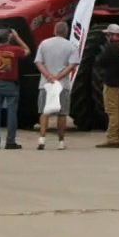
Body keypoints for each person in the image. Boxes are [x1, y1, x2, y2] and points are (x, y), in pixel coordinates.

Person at [35, 20, 80, 150]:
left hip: (45, 84)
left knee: (44, 112)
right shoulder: (71, 46)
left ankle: (42, 139)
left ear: (54, 31)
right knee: (62, 113)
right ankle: (60, 142)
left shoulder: (44, 43)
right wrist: (58, 77)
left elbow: (38, 62)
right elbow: (71, 66)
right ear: (66, 32)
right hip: (63, 85)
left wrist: (48, 76)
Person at [0, 28, 30, 149]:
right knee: (12, 112)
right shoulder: (14, 50)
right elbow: (27, 51)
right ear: (9, 38)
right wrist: (17, 38)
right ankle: (10, 141)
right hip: (11, 84)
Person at [96, 23, 119, 148]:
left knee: (112, 111)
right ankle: (117, 136)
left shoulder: (110, 47)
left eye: (108, 34)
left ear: (112, 35)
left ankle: (112, 138)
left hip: (111, 83)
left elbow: (101, 62)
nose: (107, 37)